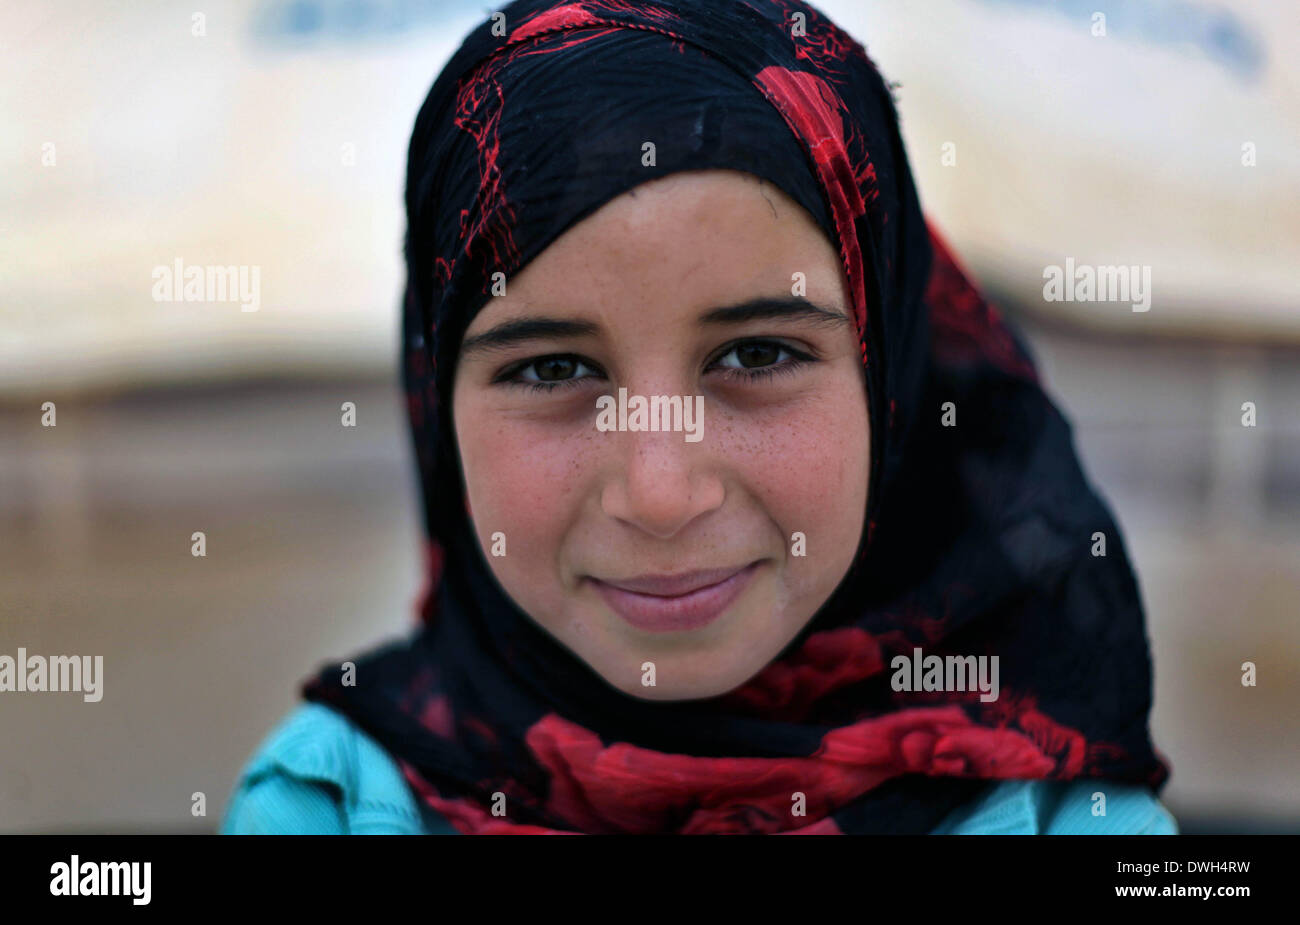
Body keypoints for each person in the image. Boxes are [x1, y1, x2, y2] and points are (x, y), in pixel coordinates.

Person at [222, 0, 1176, 835]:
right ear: (437, 409)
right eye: (554, 367)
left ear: (890, 380)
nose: (662, 494)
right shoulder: (323, 808)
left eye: (757, 355)